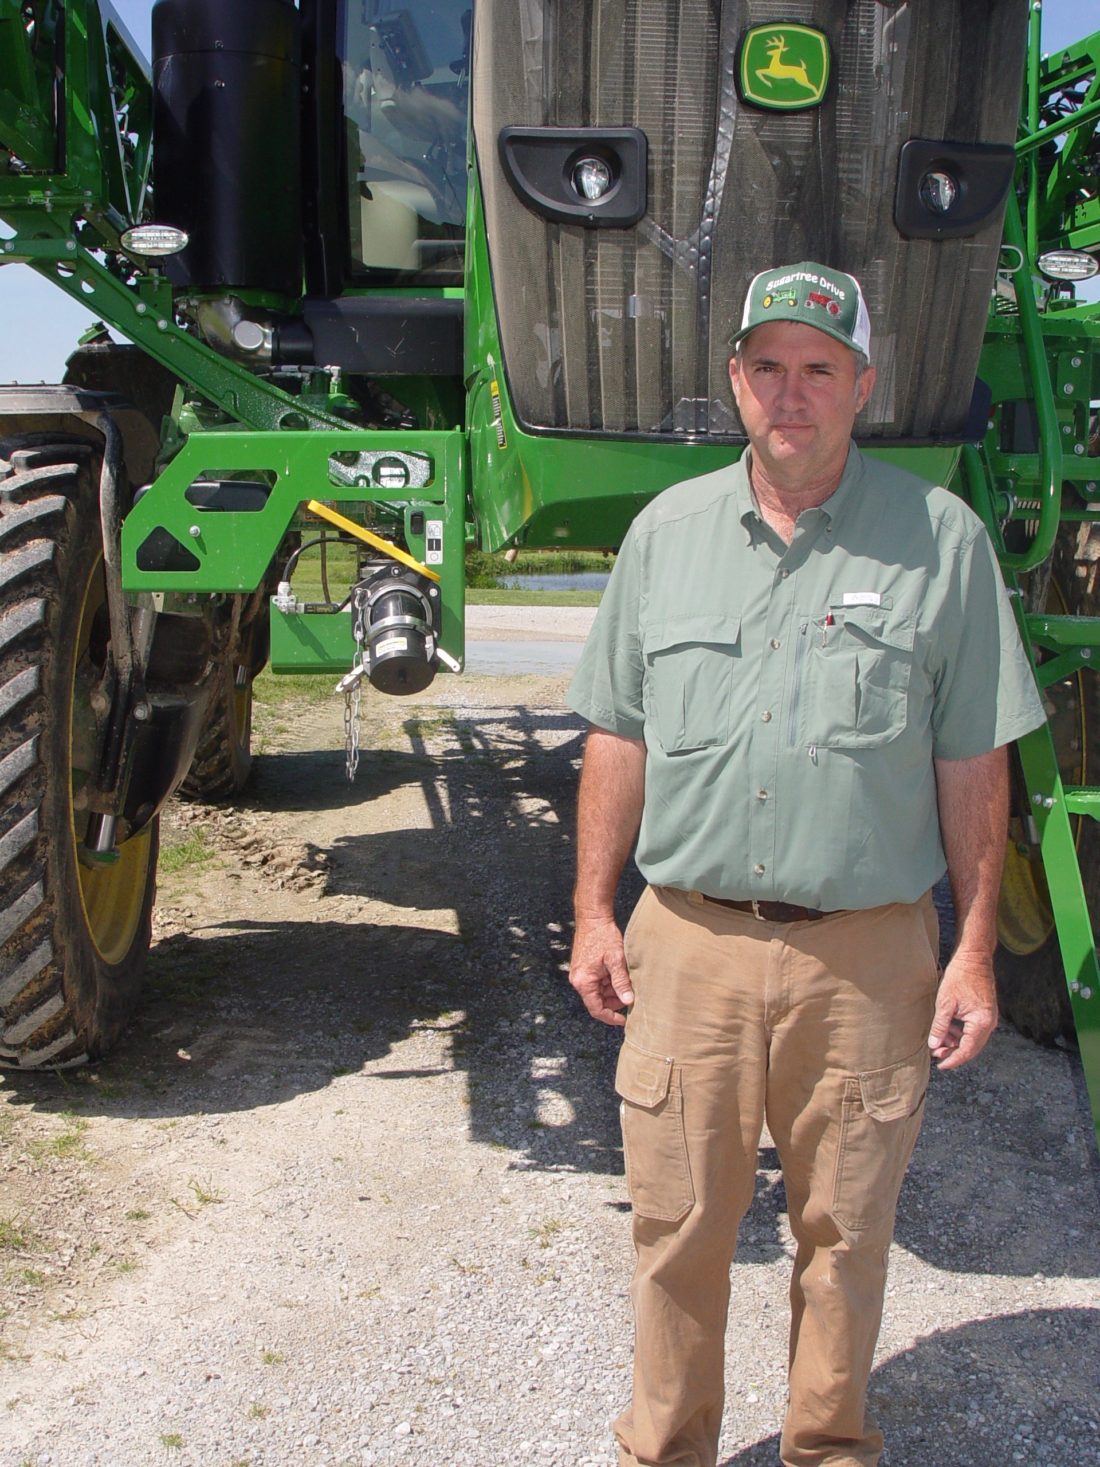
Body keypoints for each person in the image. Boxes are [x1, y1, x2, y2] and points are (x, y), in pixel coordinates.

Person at [565, 261, 1047, 1467]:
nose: (791, 392)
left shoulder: (939, 542)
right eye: (767, 365)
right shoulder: (663, 536)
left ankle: (824, 1449)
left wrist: (973, 952)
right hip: (689, 945)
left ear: (860, 386)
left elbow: (972, 768)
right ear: (734, 381)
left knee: (844, 1233)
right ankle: (665, 1449)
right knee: (676, 1228)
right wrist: (590, 910)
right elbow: (615, 738)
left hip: (868, 955)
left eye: (817, 368)